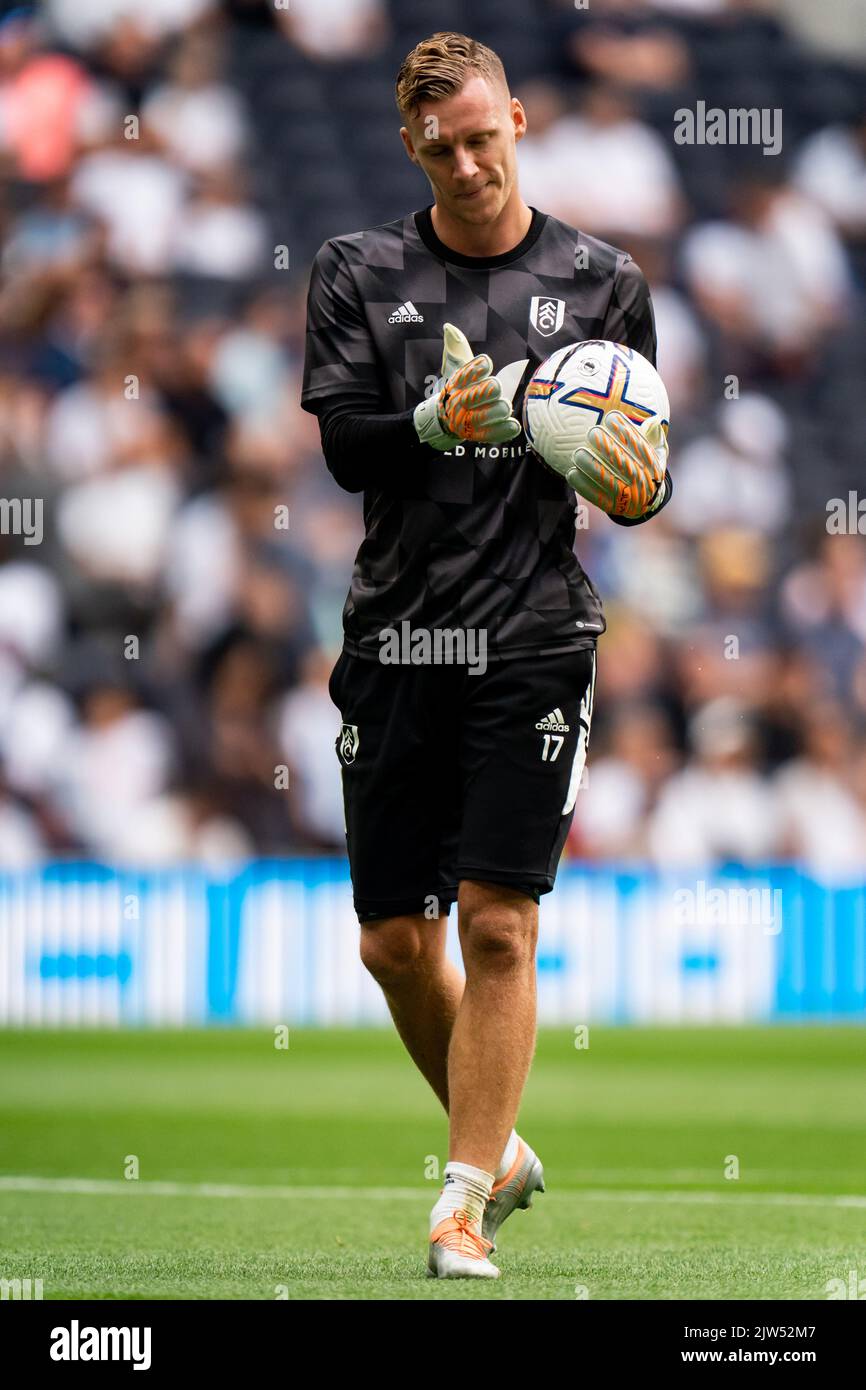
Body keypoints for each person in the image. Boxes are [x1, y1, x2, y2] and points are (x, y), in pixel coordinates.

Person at [300, 30, 672, 1280]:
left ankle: (458, 1201)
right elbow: (347, 448)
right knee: (394, 945)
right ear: (412, 144)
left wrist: (632, 486)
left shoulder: (603, 278)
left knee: (496, 922)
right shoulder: (357, 270)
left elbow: (638, 470)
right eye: (441, 146)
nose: (467, 165)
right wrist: (429, 421)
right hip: (397, 633)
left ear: (516, 119)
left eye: (483, 136)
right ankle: (502, 1148)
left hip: (532, 639)